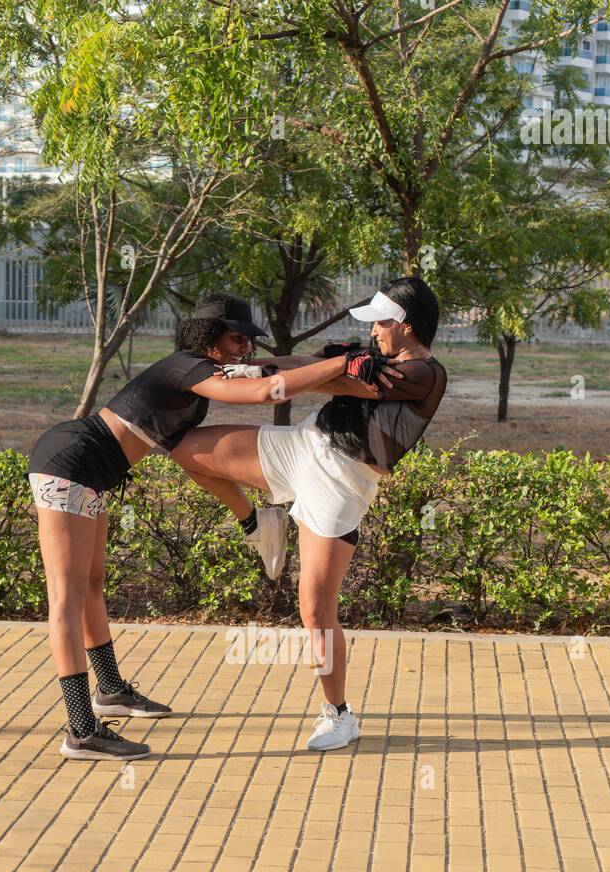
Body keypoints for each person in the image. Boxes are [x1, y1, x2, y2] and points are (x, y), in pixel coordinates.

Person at [27, 293, 389, 761]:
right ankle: (80, 728)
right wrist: (344, 367)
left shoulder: (207, 370)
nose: (244, 347)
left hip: (95, 471)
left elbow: (272, 369)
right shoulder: (187, 367)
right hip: (70, 462)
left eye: (246, 340)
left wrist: (330, 359)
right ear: (208, 338)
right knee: (67, 597)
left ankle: (110, 690)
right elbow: (266, 392)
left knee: (92, 585)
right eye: (236, 338)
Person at [170, 277, 447, 752]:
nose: (376, 330)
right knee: (187, 448)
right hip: (304, 444)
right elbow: (307, 365)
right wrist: (245, 368)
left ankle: (339, 715)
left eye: (383, 321)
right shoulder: (375, 355)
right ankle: (259, 523)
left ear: (407, 326)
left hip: (341, 481)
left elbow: (338, 381)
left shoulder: (426, 374)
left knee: (315, 608)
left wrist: (317, 367)